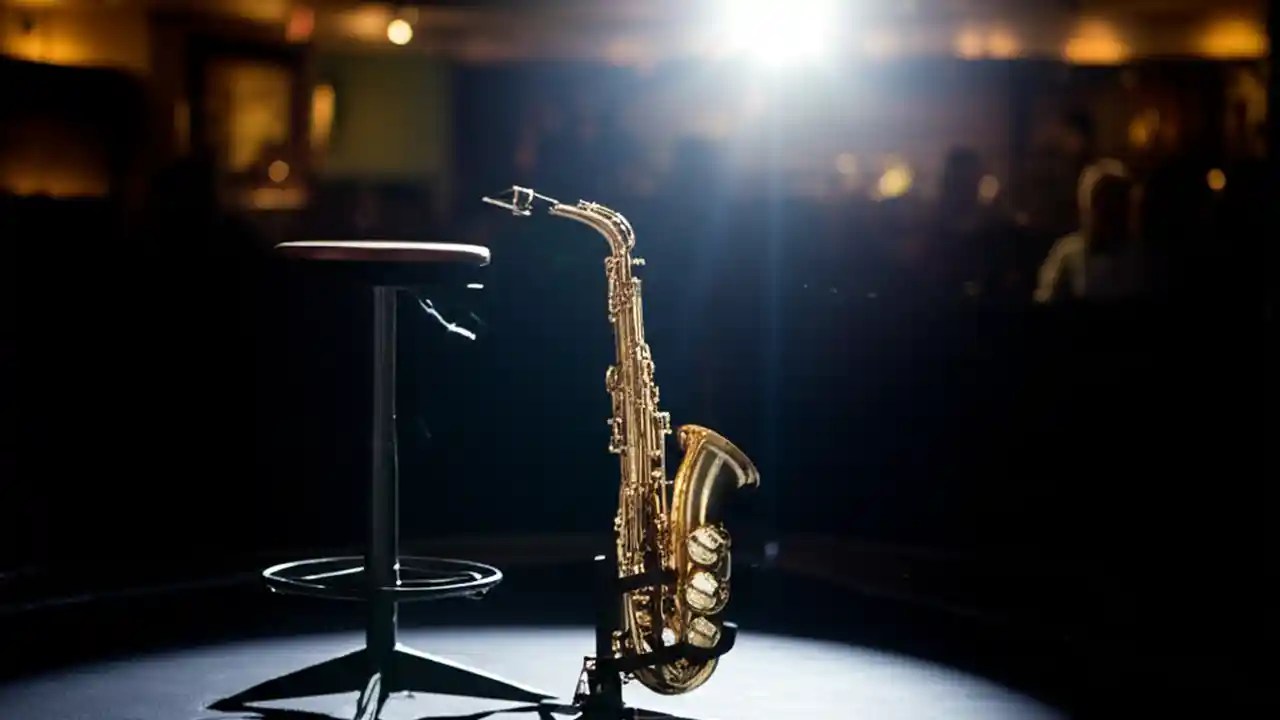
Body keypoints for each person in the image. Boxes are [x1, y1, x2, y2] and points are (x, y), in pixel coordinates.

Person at [1034, 159, 1147, 303]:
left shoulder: (1142, 258)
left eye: (1115, 203)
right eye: (1101, 203)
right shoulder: (1069, 255)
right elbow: (1045, 305)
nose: (1108, 212)